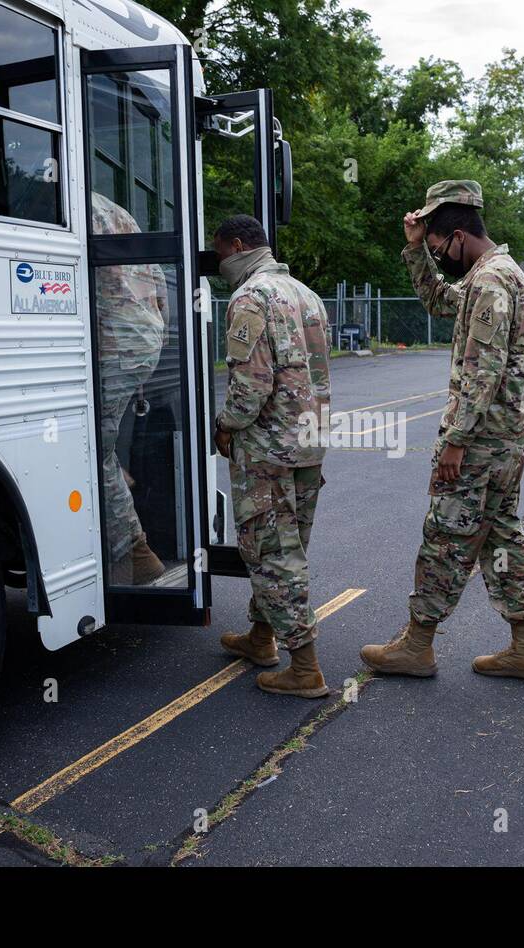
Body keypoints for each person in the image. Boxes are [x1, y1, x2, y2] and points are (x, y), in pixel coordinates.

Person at [360, 180, 524, 681]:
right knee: (501, 535)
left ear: (461, 235)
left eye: (441, 246)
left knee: (446, 535)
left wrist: (456, 441)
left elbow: (483, 370)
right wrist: (416, 248)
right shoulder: (496, 273)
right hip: (504, 435)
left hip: (482, 438)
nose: (441, 256)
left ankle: (417, 644)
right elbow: (439, 302)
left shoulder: (489, 282)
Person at [212, 215, 332, 698]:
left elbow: (251, 385)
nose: (219, 264)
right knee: (286, 545)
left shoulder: (250, 297)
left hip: (266, 449)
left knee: (272, 552)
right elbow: (320, 377)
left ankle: (304, 668)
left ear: (238, 246)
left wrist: (224, 425)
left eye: (219, 254)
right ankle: (261, 638)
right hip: (308, 442)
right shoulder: (306, 294)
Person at [92, 191, 168, 585]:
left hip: (112, 342)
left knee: (93, 448)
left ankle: (137, 551)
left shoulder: (72, 204)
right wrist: (158, 330)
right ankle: (119, 475)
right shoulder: (117, 209)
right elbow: (156, 281)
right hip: (143, 339)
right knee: (103, 436)